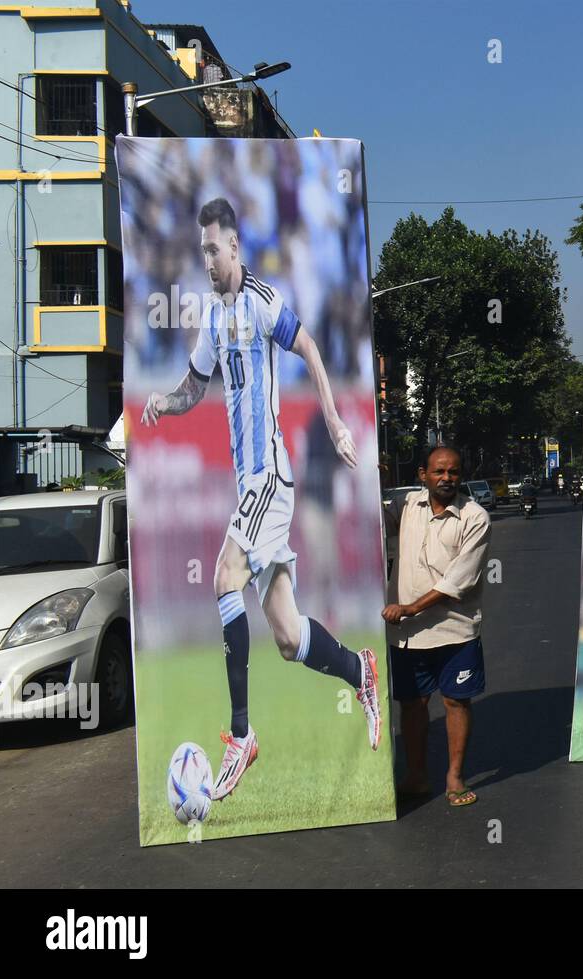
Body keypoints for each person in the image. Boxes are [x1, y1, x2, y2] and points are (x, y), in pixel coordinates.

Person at [142, 197, 380, 801]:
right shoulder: (213, 317)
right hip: (249, 483)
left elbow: (311, 351)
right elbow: (198, 382)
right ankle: (360, 670)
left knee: (224, 577)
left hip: (269, 479)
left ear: (236, 249)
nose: (208, 261)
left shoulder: (261, 302)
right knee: (287, 636)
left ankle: (242, 736)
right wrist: (165, 403)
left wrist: (333, 423)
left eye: (215, 250)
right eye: (201, 252)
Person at [383, 445, 490, 806]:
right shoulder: (406, 506)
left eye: (454, 473)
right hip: (408, 635)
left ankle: (454, 777)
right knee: (412, 705)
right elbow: (370, 518)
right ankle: (416, 777)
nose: (447, 479)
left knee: (456, 702)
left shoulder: (475, 517)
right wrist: (372, 473)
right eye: (439, 472)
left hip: (455, 630)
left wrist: (411, 607)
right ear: (423, 475)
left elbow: (459, 581)